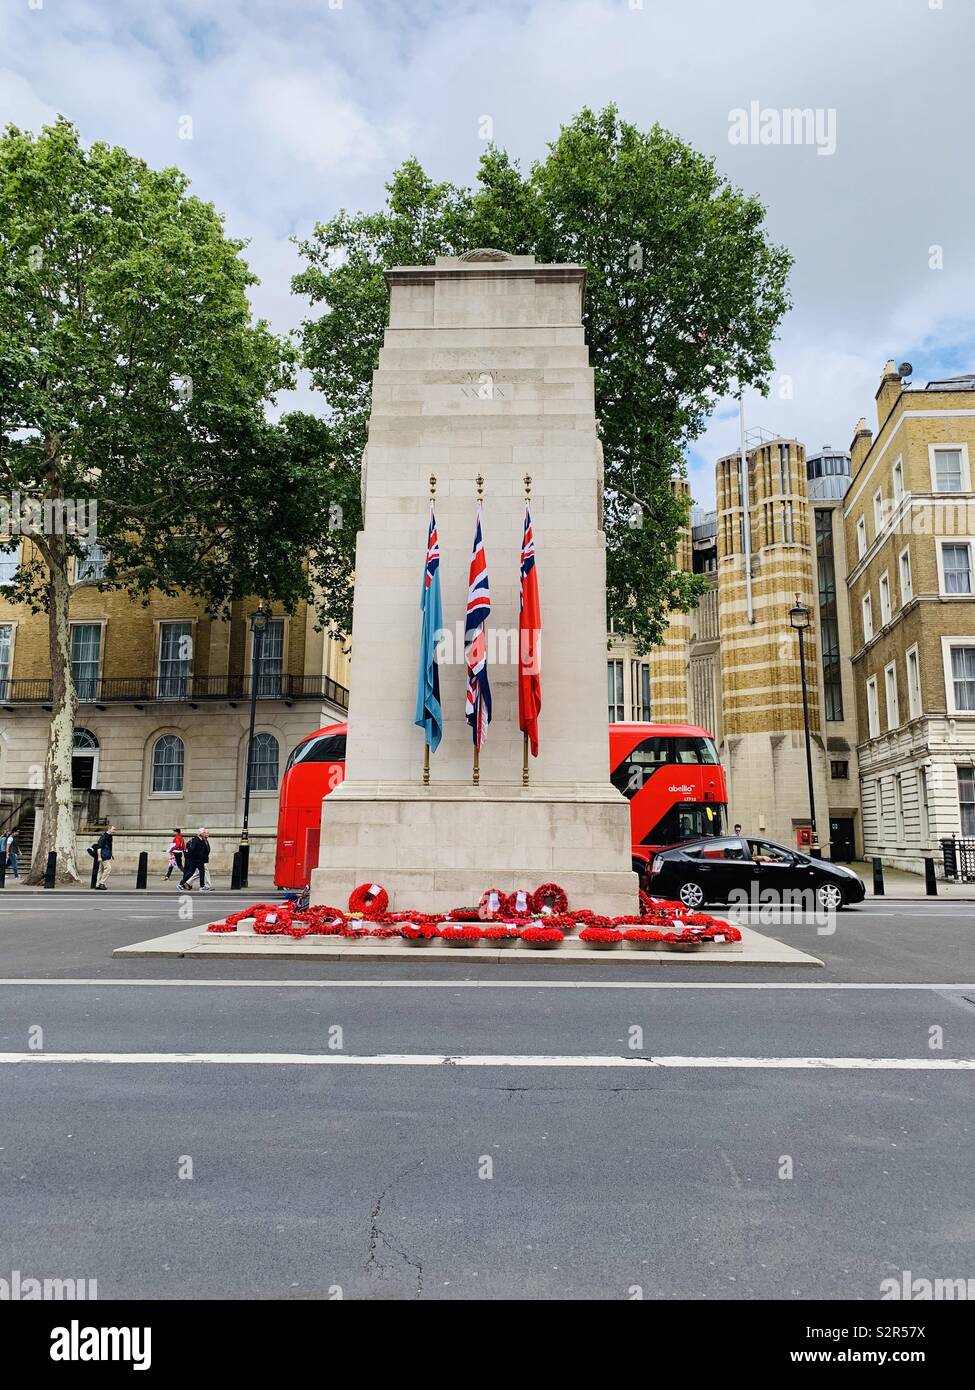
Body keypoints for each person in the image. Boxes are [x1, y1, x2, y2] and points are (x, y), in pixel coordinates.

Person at [94, 824, 115, 890]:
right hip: (103, 856)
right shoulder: (103, 836)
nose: (114, 830)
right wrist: (99, 857)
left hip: (107, 855)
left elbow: (109, 846)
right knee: (108, 868)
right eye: (113, 829)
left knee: (101, 870)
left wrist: (111, 854)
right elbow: (99, 847)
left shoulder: (110, 836)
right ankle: (102, 883)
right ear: (109, 829)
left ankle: (97, 885)